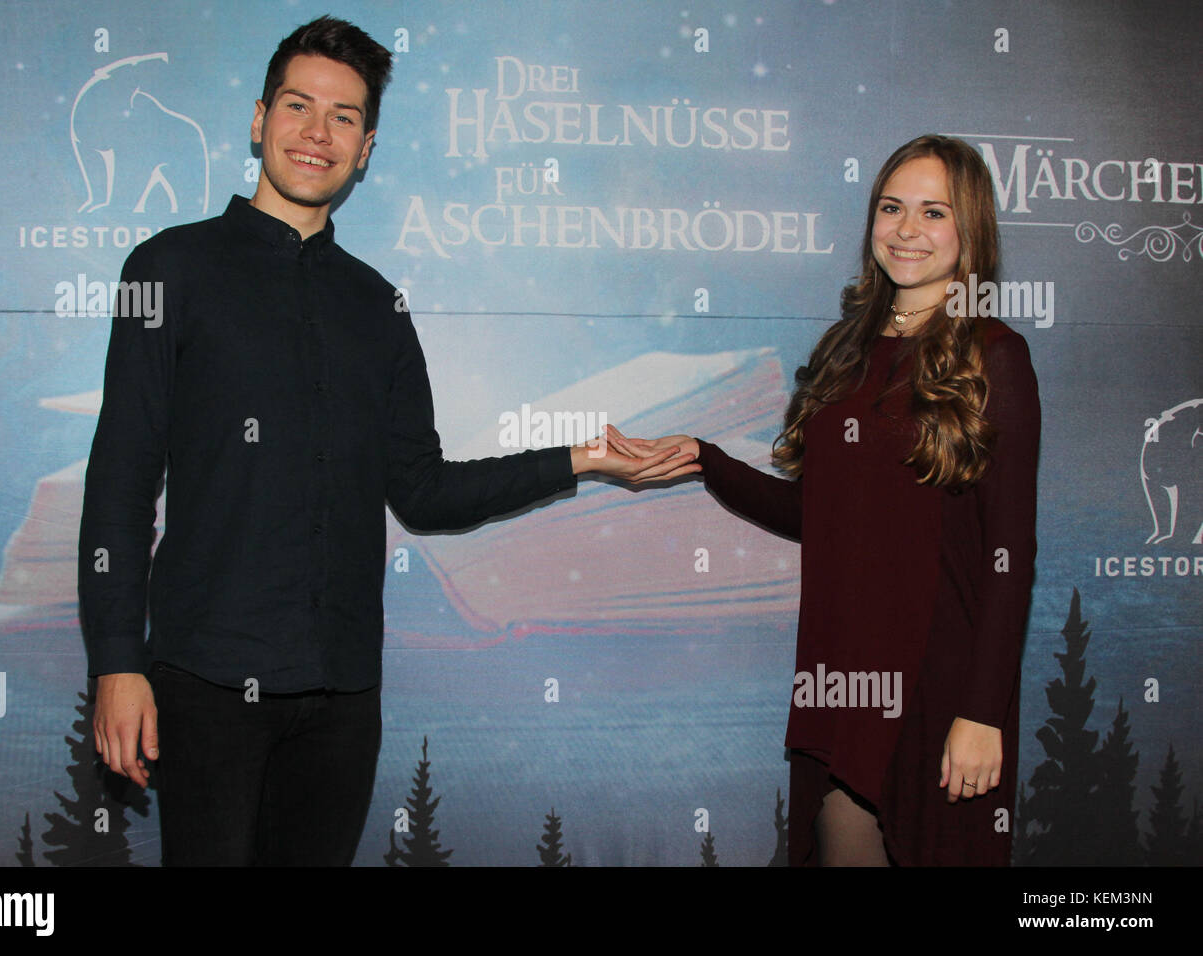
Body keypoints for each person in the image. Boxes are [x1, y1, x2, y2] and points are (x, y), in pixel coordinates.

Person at [77, 15, 696, 866]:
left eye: (343, 117)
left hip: (343, 696)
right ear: (259, 119)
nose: (316, 133)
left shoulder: (378, 305)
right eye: (299, 106)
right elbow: (118, 480)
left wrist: (582, 458)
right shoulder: (168, 270)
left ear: (365, 147)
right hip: (205, 683)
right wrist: (116, 662)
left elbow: (423, 489)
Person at [608, 135, 1040, 865]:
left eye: (933, 212)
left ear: (970, 232)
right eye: (891, 207)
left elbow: (1010, 555)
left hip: (940, 686)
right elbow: (826, 519)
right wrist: (706, 462)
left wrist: (982, 713)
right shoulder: (850, 348)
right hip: (844, 679)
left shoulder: (993, 354)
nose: (906, 229)